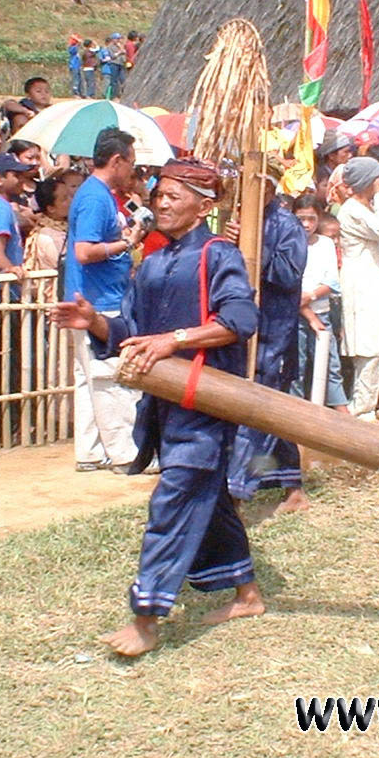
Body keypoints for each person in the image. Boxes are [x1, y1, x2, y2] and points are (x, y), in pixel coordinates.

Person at [52, 158, 263, 656]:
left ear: (204, 206)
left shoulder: (219, 254)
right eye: (159, 193)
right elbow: (133, 333)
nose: (161, 202)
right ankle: (247, 593)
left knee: (173, 500)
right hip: (168, 405)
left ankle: (146, 618)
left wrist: (176, 340)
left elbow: (240, 317)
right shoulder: (153, 262)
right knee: (205, 498)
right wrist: (96, 324)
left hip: (207, 402)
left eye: (174, 195)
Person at [226, 163, 309, 512]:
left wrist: (251, 249)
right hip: (246, 328)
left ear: (269, 191)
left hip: (275, 331)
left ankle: (237, 491)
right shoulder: (237, 220)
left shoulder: (286, 225)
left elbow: (289, 273)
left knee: (261, 408)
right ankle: (292, 485)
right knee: (271, 408)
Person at [64, 128, 146, 472]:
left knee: (89, 379)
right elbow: (84, 252)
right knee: (111, 378)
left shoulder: (95, 194)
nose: (133, 171)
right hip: (99, 301)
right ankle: (124, 453)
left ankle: (91, 451)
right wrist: (125, 244)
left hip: (90, 296)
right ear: (117, 160)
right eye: (131, 163)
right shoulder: (96, 197)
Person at [336, 156, 379, 419]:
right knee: (369, 349)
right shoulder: (352, 210)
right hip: (363, 287)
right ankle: (362, 410)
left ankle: (365, 406)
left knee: (375, 348)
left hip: (373, 284)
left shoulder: (362, 209)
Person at [291, 194, 346, 412]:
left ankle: (341, 411)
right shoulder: (289, 242)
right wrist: (307, 311)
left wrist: (311, 297)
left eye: (311, 219)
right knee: (297, 366)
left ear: (319, 218)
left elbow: (332, 282)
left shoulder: (325, 244)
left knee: (330, 363)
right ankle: (296, 413)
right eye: (301, 218)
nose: (306, 224)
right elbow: (288, 283)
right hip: (295, 315)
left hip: (321, 311)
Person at [0, 153, 35, 279]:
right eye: (16, 176)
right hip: (0, 286)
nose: (22, 180)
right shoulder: (0, 208)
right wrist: (14, 273)